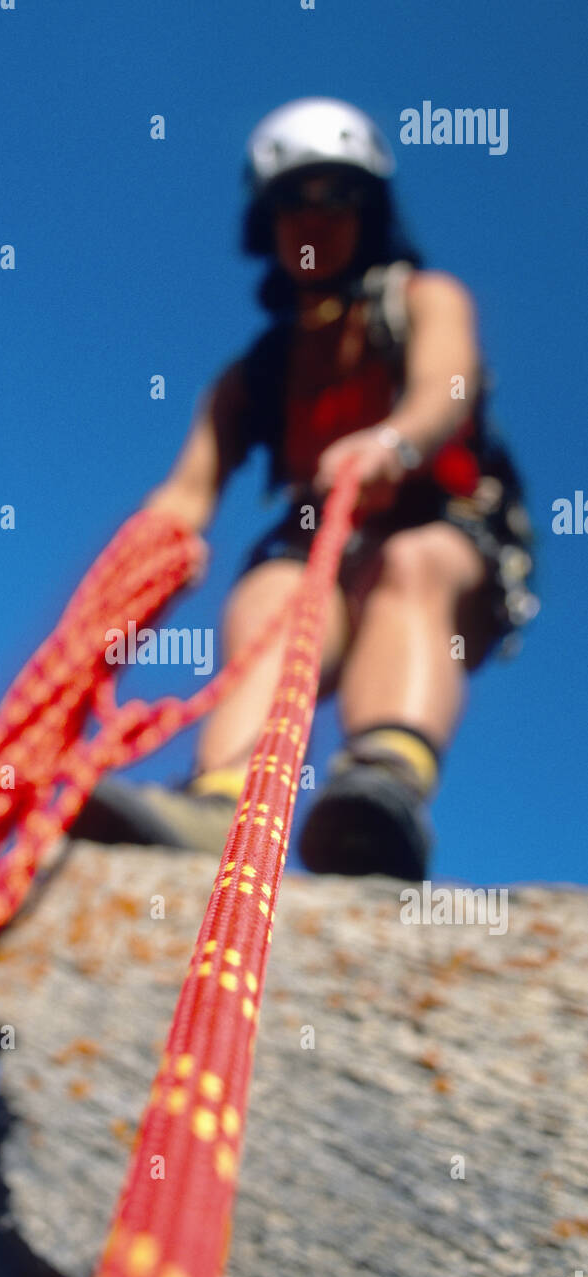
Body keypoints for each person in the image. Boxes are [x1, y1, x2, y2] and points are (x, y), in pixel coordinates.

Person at [70, 97, 538, 879]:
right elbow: (186, 493)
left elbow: (444, 387)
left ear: (370, 209)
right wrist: (118, 591)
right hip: (316, 536)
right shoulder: (252, 377)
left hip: (437, 524)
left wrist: (393, 442)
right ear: (266, 221)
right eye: (293, 200)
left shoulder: (425, 299)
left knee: (413, 562)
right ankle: (219, 802)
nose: (314, 218)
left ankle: (381, 784)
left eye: (337, 195)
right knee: (270, 597)